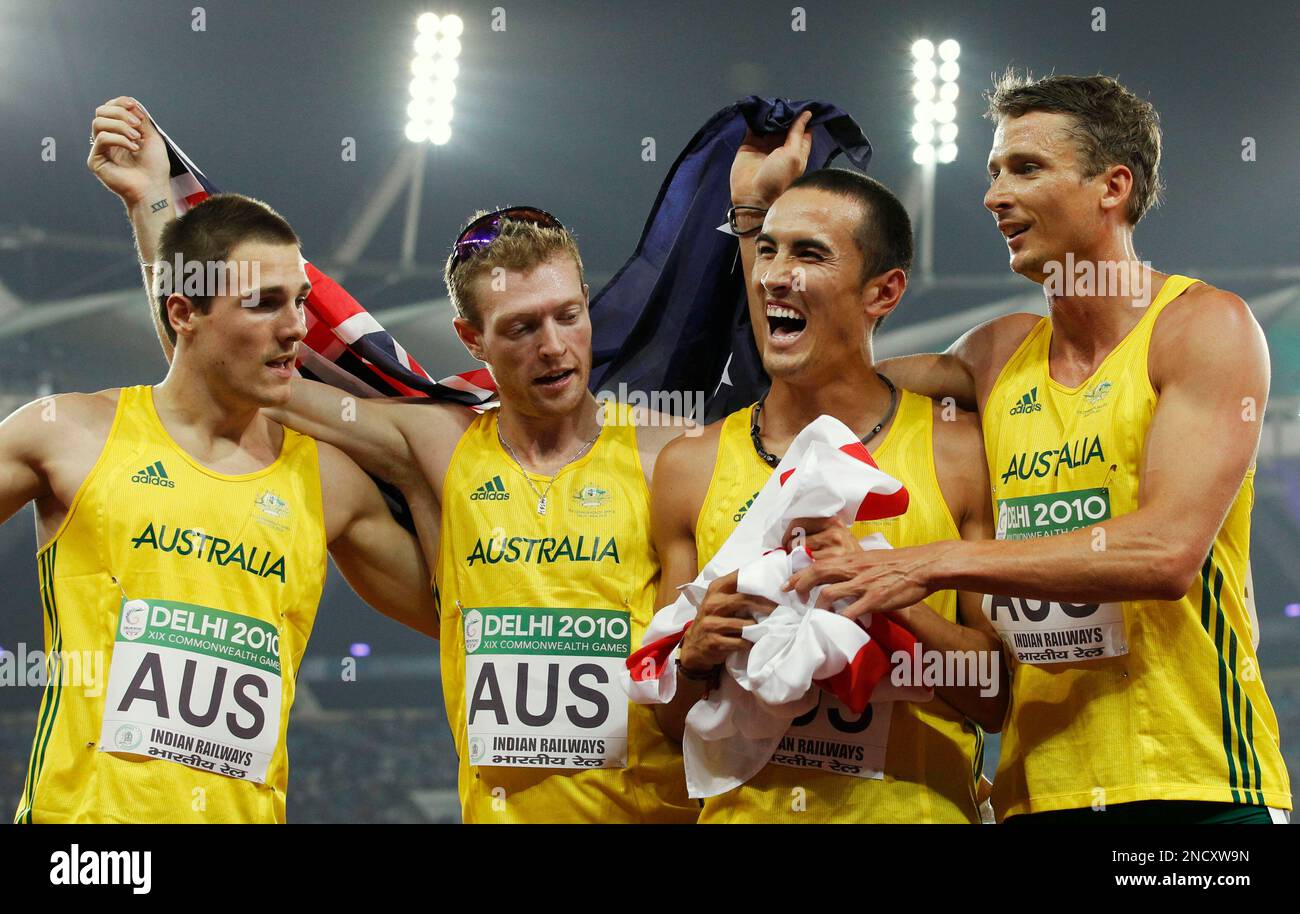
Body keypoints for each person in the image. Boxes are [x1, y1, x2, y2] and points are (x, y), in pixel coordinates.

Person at [91, 100, 699, 823]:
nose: (553, 346)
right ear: (470, 339)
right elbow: (228, 371)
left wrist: (752, 215)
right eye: (521, 327)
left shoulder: (674, 453)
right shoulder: (438, 444)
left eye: (569, 315)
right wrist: (151, 200)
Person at [789, 72, 1292, 823]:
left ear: (1112, 186)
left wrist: (926, 564)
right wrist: (765, 222)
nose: (995, 196)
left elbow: (1165, 553)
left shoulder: (1202, 327)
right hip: (1036, 793)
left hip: (1197, 786)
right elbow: (811, 384)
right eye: (994, 173)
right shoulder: (994, 356)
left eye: (1026, 169)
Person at [2, 180, 437, 822]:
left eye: (300, 301)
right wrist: (148, 200)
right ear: (183, 313)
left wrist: (421, 469)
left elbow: (457, 619)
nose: (295, 328)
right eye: (263, 303)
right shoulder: (66, 433)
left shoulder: (328, 481)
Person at [649, 112, 1006, 823]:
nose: (774, 277)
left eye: (809, 254)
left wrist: (888, 593)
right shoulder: (689, 465)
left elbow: (993, 699)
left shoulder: (959, 453)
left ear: (883, 292)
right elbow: (668, 723)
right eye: (767, 251)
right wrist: (692, 657)